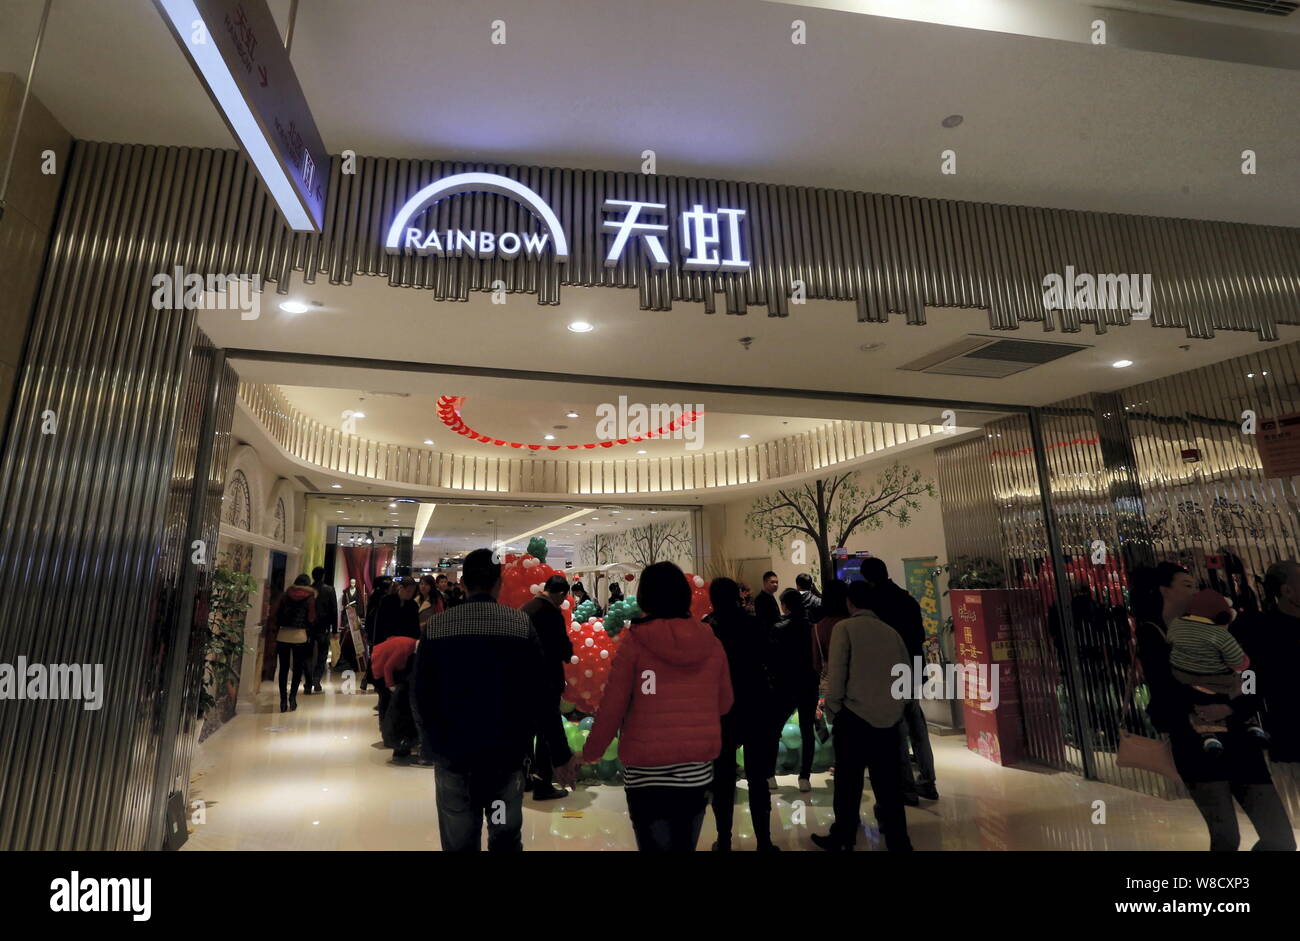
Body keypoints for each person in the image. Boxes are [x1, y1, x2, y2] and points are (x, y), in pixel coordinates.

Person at [412, 549, 573, 852]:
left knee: (460, 842)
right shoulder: (518, 625)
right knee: (504, 839)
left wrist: (430, 744)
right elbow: (541, 694)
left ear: (463, 582)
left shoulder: (438, 627)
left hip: (453, 759)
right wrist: (560, 755)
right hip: (505, 759)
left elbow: (421, 694)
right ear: (499, 583)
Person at [1132, 563, 1294, 852]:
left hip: (1239, 738)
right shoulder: (1152, 633)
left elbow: (1250, 673)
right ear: (1164, 590)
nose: (1195, 590)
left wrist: (1234, 708)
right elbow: (1164, 688)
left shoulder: (1217, 626)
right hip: (1194, 742)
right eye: (1186, 584)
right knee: (1226, 837)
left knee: (1279, 837)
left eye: (1196, 585)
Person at [579, 561, 733, 852]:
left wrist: (590, 754)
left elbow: (612, 707)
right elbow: (724, 703)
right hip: (695, 771)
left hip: (645, 772)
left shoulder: (634, 642)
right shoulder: (711, 643)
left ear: (644, 596)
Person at [812, 579, 913, 852]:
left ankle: (843, 836)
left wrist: (831, 709)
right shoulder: (891, 632)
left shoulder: (845, 629)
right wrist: (895, 710)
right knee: (888, 786)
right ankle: (898, 841)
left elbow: (837, 674)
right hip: (888, 721)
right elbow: (904, 677)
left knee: (848, 783)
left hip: (854, 718)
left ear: (849, 602)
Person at [706, 577, 780, 851]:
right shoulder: (753, 623)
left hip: (721, 709)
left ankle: (723, 840)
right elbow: (771, 660)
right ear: (738, 595)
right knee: (758, 777)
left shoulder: (708, 629)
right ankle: (764, 841)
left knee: (722, 778)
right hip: (755, 704)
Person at [860, 556, 938, 803]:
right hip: (914, 670)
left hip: (891, 672)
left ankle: (907, 788)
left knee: (898, 730)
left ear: (868, 578)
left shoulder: (874, 604)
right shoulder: (906, 598)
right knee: (917, 726)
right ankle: (928, 781)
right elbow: (920, 635)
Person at [1167, 589, 1268, 752]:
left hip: (1200, 687)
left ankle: (1211, 734)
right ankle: (1244, 725)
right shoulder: (1220, 639)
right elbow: (1242, 665)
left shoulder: (1179, 630)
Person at [1234, 560, 1300, 763]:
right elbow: (1247, 672)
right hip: (1289, 728)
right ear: (1287, 591)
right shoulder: (1260, 629)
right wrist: (1249, 704)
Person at [521, 574, 575, 799]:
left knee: (525, 731)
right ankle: (542, 784)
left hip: (524, 680)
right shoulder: (551, 613)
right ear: (561, 594)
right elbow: (563, 650)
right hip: (547, 681)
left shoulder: (526, 608)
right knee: (545, 733)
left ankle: (524, 779)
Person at [769, 588, 819, 793]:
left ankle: (770, 775)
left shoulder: (778, 628)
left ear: (785, 606)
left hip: (785, 685)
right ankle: (804, 777)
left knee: (774, 728)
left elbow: (772, 659)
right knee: (808, 730)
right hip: (808, 683)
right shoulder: (812, 628)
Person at [371, 579, 420, 723]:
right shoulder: (387, 601)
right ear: (401, 588)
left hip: (405, 652)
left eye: (412, 592)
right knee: (384, 692)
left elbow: (415, 629)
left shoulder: (412, 605)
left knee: (400, 691)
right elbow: (379, 625)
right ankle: (384, 723)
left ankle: (396, 726)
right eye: (408, 591)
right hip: (387, 649)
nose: (410, 594)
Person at [272, 574, 317, 713]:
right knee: (297, 669)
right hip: (300, 635)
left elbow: (275, 612)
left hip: (283, 634)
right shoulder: (310, 598)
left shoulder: (284, 595)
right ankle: (292, 698)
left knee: (283, 669)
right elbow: (311, 617)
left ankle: (283, 701)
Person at [307, 566, 337, 694]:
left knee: (307, 655)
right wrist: (334, 629)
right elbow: (334, 610)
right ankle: (316, 679)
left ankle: (308, 682)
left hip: (309, 627)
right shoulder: (329, 590)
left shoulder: (308, 590)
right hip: (323, 627)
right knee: (322, 654)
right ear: (323, 576)